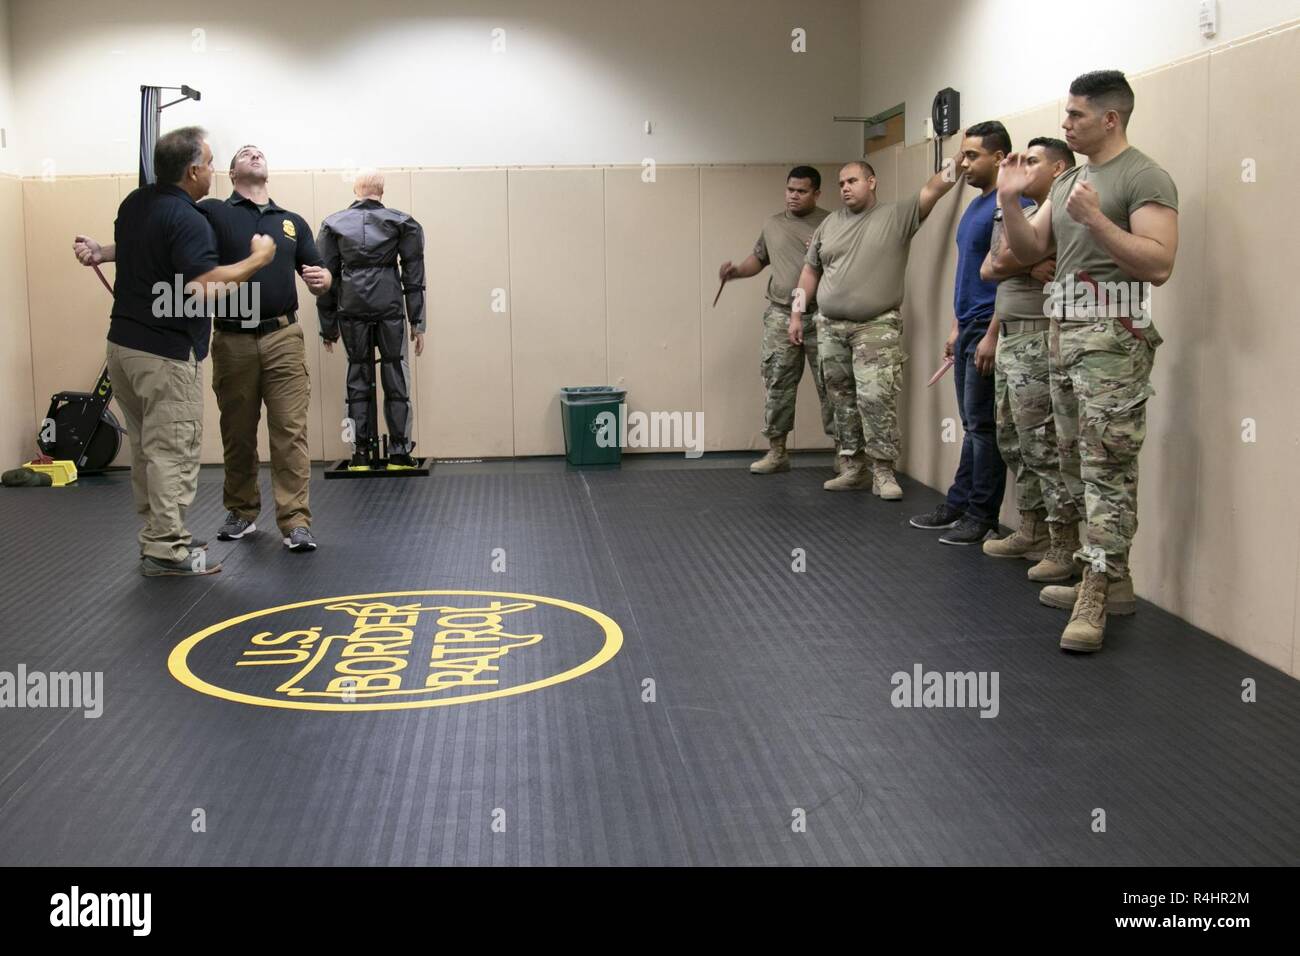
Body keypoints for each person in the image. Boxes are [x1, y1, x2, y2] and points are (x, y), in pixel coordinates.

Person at [997, 70, 1179, 652]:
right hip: (1062, 330)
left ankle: (1096, 589)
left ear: (1110, 118)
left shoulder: (1143, 176)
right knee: (1073, 462)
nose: (1064, 124)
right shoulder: (1070, 178)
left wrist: (1099, 219)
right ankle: (1113, 578)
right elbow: (1029, 251)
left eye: (1075, 115)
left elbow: (1158, 263)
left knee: (1107, 470)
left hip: (1112, 336)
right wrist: (1008, 197)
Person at [72, 126, 274, 576]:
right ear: (193, 171)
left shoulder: (136, 203)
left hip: (123, 349)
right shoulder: (189, 219)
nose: (213, 170)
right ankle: (166, 549)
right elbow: (204, 286)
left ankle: (160, 535)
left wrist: (101, 252)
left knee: (148, 448)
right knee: (173, 450)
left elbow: (140, 245)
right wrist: (259, 259)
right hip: (164, 354)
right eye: (209, 163)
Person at [789, 157, 962, 498]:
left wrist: (958, 157)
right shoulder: (828, 225)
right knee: (840, 398)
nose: (845, 188)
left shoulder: (897, 216)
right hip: (830, 326)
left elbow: (934, 188)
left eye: (852, 181)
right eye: (841, 184)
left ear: (872, 182)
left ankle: (883, 471)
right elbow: (810, 272)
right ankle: (853, 467)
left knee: (875, 396)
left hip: (876, 325)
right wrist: (797, 314)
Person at [200, 145, 330, 552]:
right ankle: (241, 512)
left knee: (290, 430)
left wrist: (324, 279)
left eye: (259, 153)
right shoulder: (212, 212)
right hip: (232, 338)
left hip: (283, 338)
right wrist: (109, 252)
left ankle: (295, 522)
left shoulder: (291, 222)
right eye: (245, 153)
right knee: (237, 432)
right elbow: (168, 242)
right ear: (232, 172)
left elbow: (318, 270)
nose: (255, 155)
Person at [909, 121, 1021, 543]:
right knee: (972, 422)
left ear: (999, 157)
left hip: (992, 326)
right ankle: (958, 502)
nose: (964, 163)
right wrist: (957, 327)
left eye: (972, 155)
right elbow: (968, 273)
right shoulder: (975, 206)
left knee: (983, 425)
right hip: (969, 324)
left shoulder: (1011, 204)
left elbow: (1012, 276)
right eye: (963, 154)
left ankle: (981, 514)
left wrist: (993, 333)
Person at [978, 137, 1077, 580]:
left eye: (1032, 162)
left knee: (1044, 446)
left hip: (1039, 337)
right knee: (1014, 442)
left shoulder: (1062, 211)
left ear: (1058, 169)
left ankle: (1062, 545)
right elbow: (988, 267)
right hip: (1011, 336)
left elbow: (1007, 259)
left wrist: (1014, 260)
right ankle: (1031, 529)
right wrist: (1022, 263)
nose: (1022, 168)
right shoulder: (1020, 213)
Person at [717, 166, 834, 474]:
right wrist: (737, 272)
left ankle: (845, 454)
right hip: (781, 313)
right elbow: (759, 258)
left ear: (816, 193)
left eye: (801, 191)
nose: (793, 196)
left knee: (833, 383)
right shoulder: (772, 224)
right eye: (790, 190)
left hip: (824, 314)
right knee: (778, 382)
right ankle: (777, 451)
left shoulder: (832, 222)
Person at [316, 169, 426, 468]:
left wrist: (328, 328)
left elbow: (325, 280)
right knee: (395, 376)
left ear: (356, 190)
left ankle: (361, 454)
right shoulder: (402, 222)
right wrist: (418, 322)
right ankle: (400, 454)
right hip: (389, 306)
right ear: (382, 190)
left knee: (357, 377)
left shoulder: (333, 223)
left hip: (351, 308)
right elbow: (413, 275)